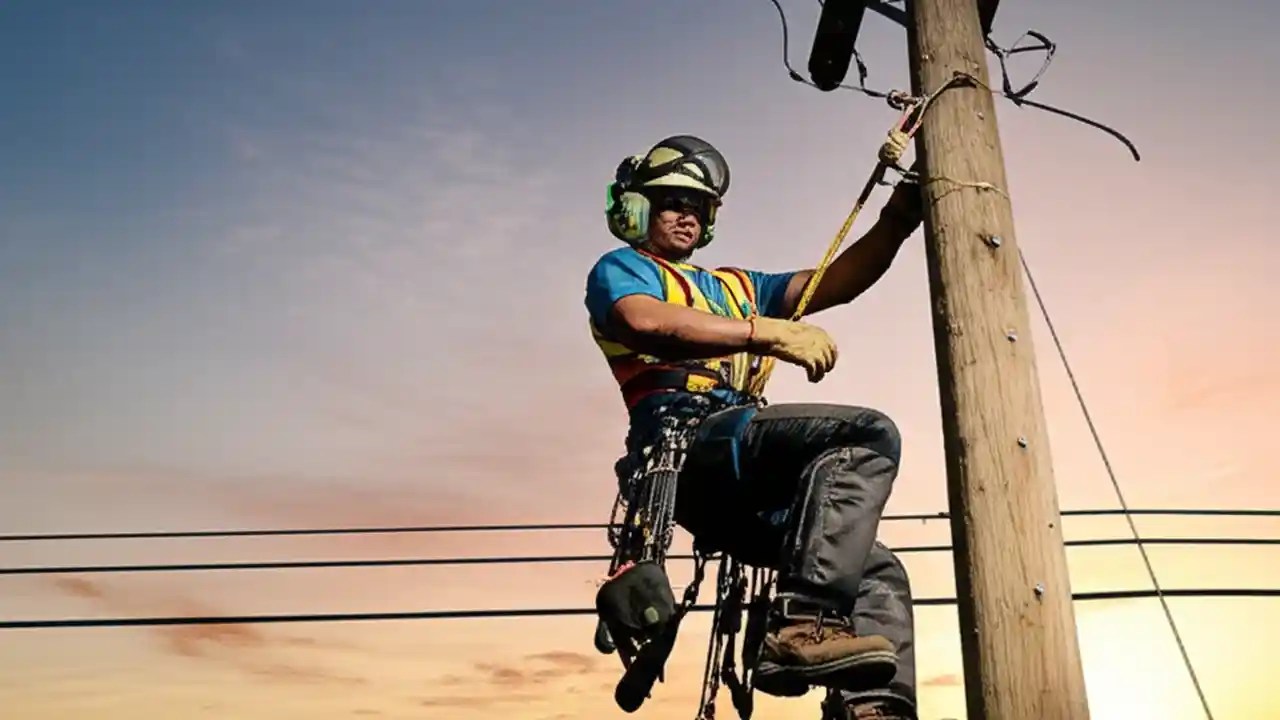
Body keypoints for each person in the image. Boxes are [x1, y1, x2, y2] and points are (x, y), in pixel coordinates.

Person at [584, 135, 923, 720]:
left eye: (699, 206)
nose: (686, 215)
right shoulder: (624, 269)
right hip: (689, 447)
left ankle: (873, 709)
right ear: (636, 209)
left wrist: (902, 212)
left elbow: (836, 281)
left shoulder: (736, 288)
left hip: (735, 475)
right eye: (671, 201)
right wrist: (766, 332)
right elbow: (645, 321)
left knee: (874, 565)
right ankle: (803, 622)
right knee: (865, 434)